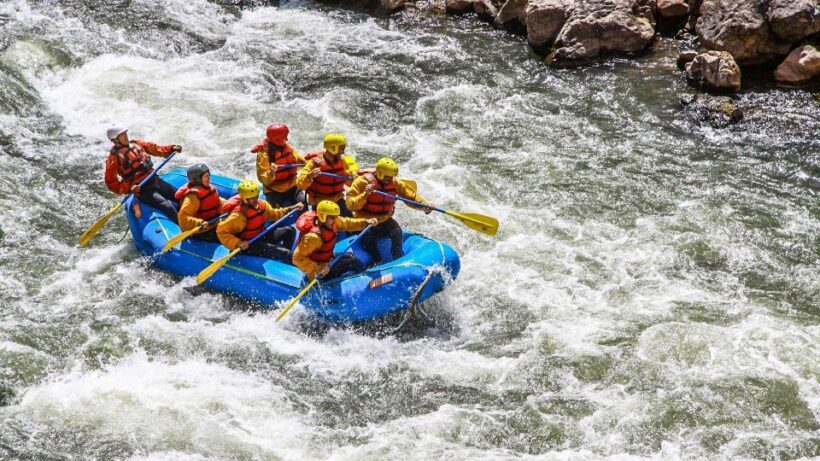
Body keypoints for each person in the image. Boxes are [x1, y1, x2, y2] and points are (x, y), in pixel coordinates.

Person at [346, 157, 434, 264]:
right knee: (368, 242)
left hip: (383, 219)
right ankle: (375, 262)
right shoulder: (361, 182)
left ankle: (398, 260)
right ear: (379, 173)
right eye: (387, 177)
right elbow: (350, 204)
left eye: (392, 176)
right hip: (364, 220)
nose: (390, 179)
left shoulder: (395, 183)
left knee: (396, 232)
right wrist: (365, 194)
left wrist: (425, 205)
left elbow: (411, 197)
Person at [104, 126, 182, 222]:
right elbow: (111, 183)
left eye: (125, 134)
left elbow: (155, 149)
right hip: (142, 189)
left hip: (154, 179)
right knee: (168, 207)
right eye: (122, 135)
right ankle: (187, 229)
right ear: (115, 140)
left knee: (181, 196)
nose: (126, 137)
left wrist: (171, 148)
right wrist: (129, 188)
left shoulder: (135, 144)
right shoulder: (113, 158)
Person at [216, 179, 303, 262]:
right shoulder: (238, 216)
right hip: (249, 245)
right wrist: (238, 243)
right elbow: (221, 231)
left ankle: (283, 260)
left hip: (260, 235)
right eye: (252, 198)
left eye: (256, 196)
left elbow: (274, 214)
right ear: (244, 199)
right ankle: (288, 260)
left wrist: (291, 208)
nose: (255, 199)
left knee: (290, 231)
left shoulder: (262, 205)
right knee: (284, 253)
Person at [292, 200, 377, 280]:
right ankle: (364, 281)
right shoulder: (313, 238)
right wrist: (318, 269)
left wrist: (365, 222)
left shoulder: (331, 222)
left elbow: (347, 223)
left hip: (327, 261)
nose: (335, 220)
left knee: (349, 256)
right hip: (318, 273)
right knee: (353, 262)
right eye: (332, 218)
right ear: (323, 217)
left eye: (336, 217)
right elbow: (297, 258)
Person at [295, 133, 353, 217]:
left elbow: (350, 181)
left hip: (337, 199)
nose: (343, 151)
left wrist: (353, 179)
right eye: (341, 148)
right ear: (333, 148)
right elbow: (299, 184)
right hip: (319, 201)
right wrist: (309, 176)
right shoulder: (314, 163)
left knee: (351, 222)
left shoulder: (343, 161)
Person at [250, 123, 306, 208]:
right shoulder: (264, 155)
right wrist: (271, 173)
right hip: (274, 189)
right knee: (276, 212)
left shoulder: (286, 147)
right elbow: (262, 178)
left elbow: (299, 161)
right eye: (285, 137)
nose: (287, 139)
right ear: (278, 139)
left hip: (292, 185)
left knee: (302, 200)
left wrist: (309, 163)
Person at [175, 164, 226, 242]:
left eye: (209, 175)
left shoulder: (208, 188)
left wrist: (229, 205)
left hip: (215, 222)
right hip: (202, 230)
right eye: (206, 176)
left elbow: (217, 201)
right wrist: (199, 223)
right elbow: (183, 217)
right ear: (197, 179)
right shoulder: (192, 197)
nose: (209, 178)